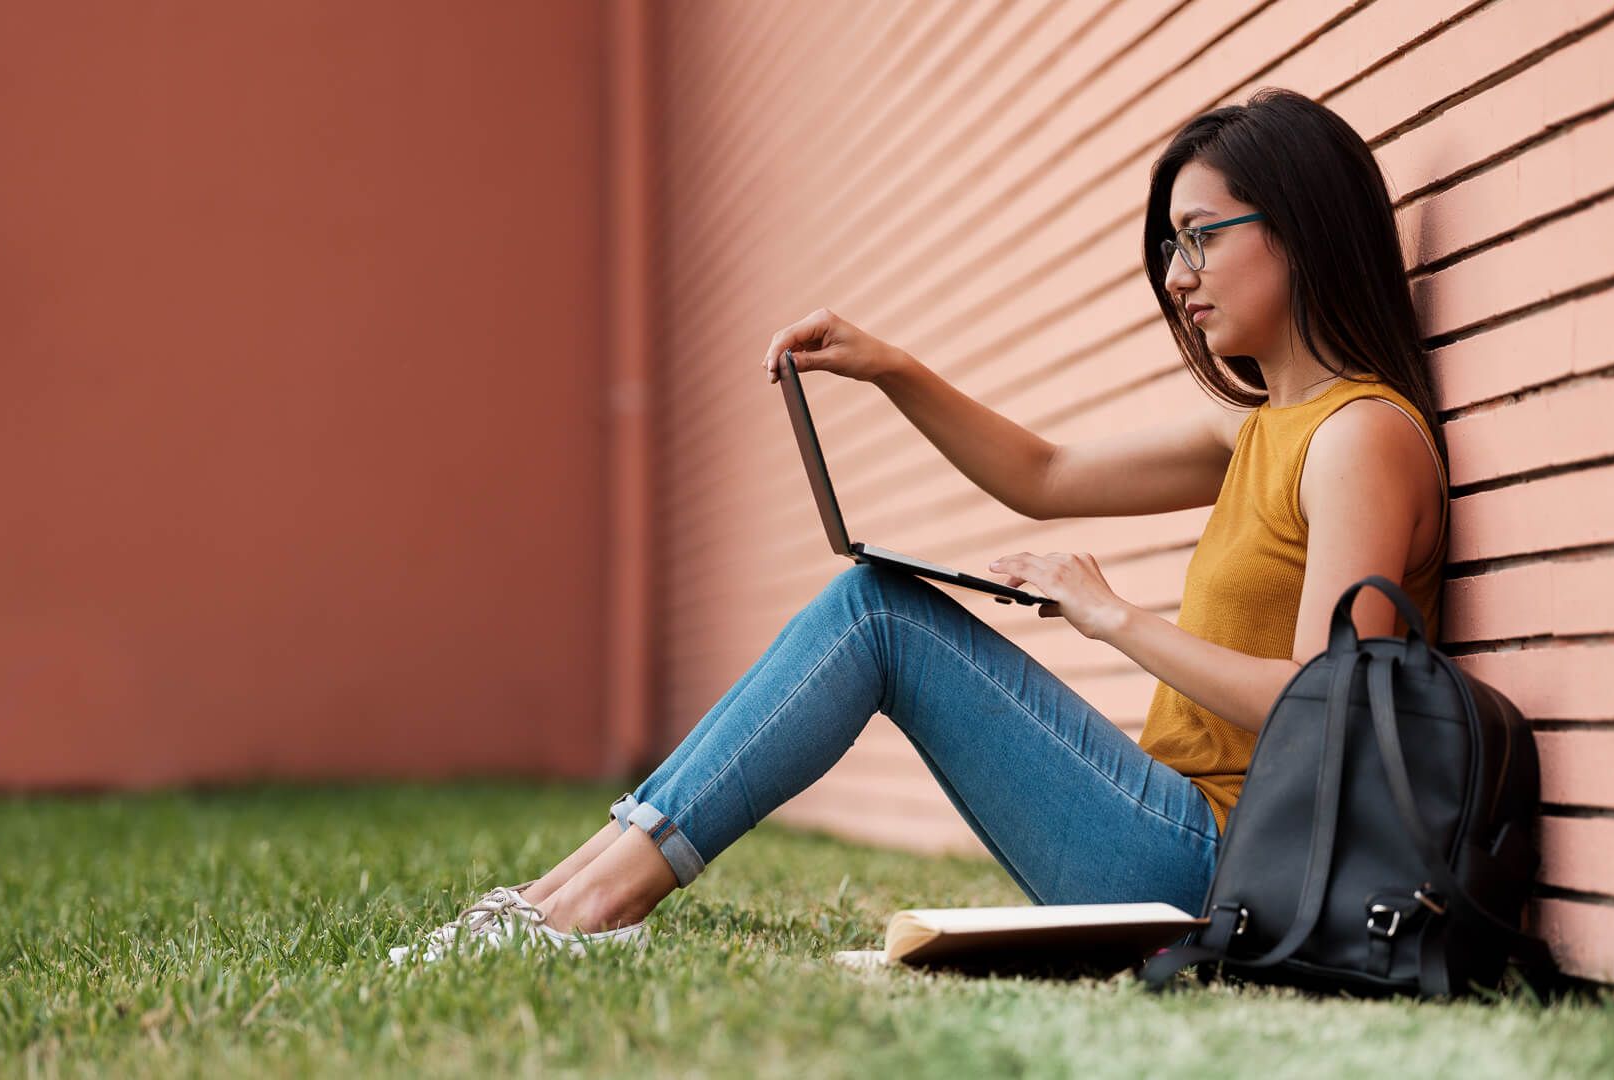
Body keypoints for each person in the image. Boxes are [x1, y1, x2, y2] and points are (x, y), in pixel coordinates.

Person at [391, 86, 1449, 963]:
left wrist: (1112, 617)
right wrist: (888, 364)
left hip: (1225, 870)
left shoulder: (1361, 438)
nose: (1178, 279)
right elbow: (1043, 473)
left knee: (880, 617)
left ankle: (587, 908)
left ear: (1300, 228)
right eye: (1170, 246)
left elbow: (1332, 713)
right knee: (877, 606)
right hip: (1186, 839)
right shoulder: (1263, 429)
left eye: (1200, 238)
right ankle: (557, 897)